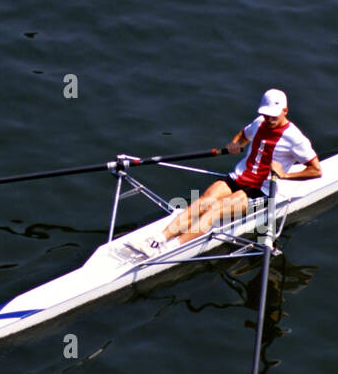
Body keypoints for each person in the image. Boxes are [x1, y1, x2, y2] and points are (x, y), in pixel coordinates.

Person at [134, 89, 321, 255]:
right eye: (266, 114)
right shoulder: (259, 122)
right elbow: (243, 135)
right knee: (203, 202)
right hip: (238, 177)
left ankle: (171, 249)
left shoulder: (296, 139)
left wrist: (285, 175)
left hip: (260, 190)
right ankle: (159, 239)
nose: (269, 119)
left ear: (285, 111)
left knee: (215, 209)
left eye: (273, 116)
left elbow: (315, 171)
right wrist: (236, 144)